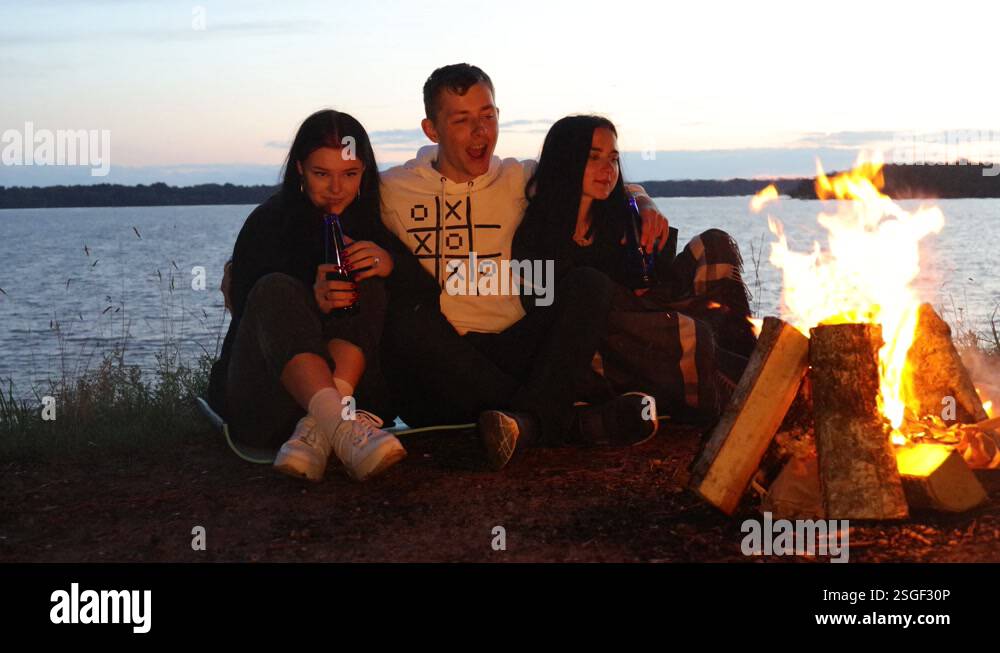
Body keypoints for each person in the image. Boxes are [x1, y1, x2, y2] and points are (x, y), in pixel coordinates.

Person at [379, 64, 672, 469]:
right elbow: (332, 203)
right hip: (444, 362)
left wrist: (642, 202)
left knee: (588, 284)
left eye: (488, 116)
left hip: (518, 350)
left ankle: (530, 422)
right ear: (432, 130)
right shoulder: (393, 189)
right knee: (407, 321)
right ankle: (565, 421)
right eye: (462, 120)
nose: (480, 132)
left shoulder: (520, 177)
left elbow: (596, 177)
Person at [208, 109, 413, 482]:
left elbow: (424, 299)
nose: (336, 188)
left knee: (368, 277)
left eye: (349, 174)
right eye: (322, 174)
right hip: (268, 403)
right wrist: (312, 301)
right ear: (300, 168)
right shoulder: (268, 223)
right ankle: (340, 426)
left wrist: (391, 264)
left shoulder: (372, 226)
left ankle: (322, 427)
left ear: (365, 171)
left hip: (350, 400)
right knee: (275, 288)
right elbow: (248, 311)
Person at [514, 115, 758, 423]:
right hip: (607, 346)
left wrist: (643, 204)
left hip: (651, 315)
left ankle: (748, 357)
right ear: (566, 160)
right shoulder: (537, 234)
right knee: (679, 332)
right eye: (594, 157)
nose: (608, 169)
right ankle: (732, 385)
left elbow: (650, 278)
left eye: (613, 159)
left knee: (714, 245)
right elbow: (550, 317)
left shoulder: (618, 216)